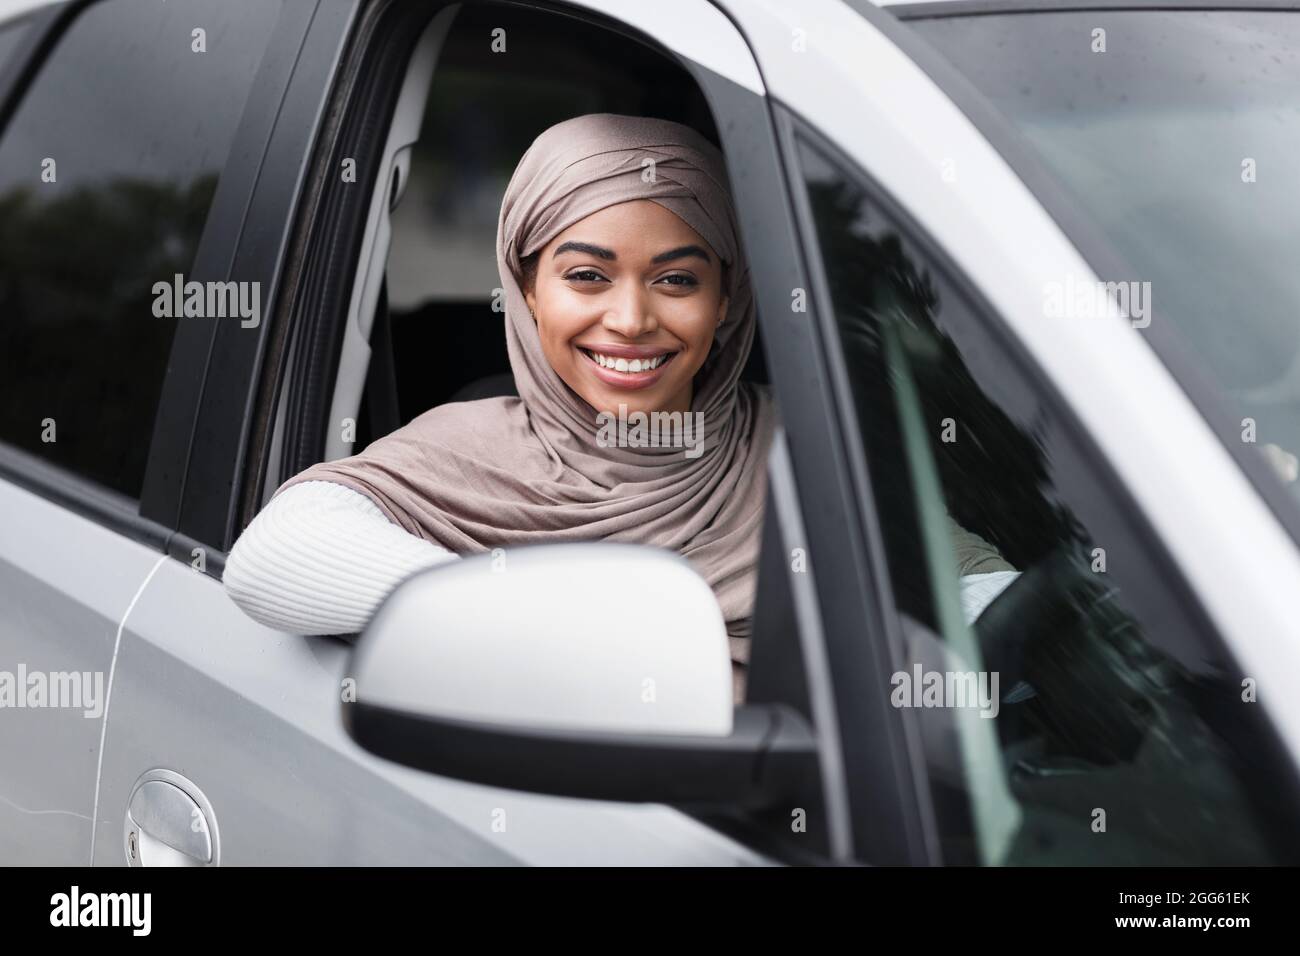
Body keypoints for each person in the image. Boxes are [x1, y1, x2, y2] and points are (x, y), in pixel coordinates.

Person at [225, 113, 776, 705]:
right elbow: (271, 560)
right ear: (529, 288)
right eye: (588, 276)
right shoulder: (465, 448)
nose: (631, 320)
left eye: (676, 280)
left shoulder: (804, 447)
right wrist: (569, 632)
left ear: (726, 297)